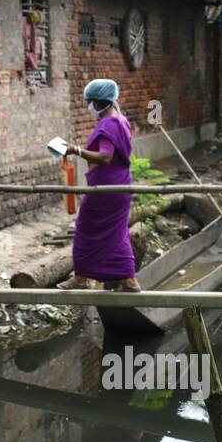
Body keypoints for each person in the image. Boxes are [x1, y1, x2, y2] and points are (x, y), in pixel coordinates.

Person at [58, 78, 142, 292]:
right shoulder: (121, 120)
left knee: (85, 229)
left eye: (90, 101)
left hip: (106, 188)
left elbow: (105, 157)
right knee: (117, 231)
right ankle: (129, 280)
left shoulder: (109, 123)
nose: (89, 107)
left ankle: (81, 278)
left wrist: (75, 150)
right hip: (120, 186)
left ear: (99, 102)